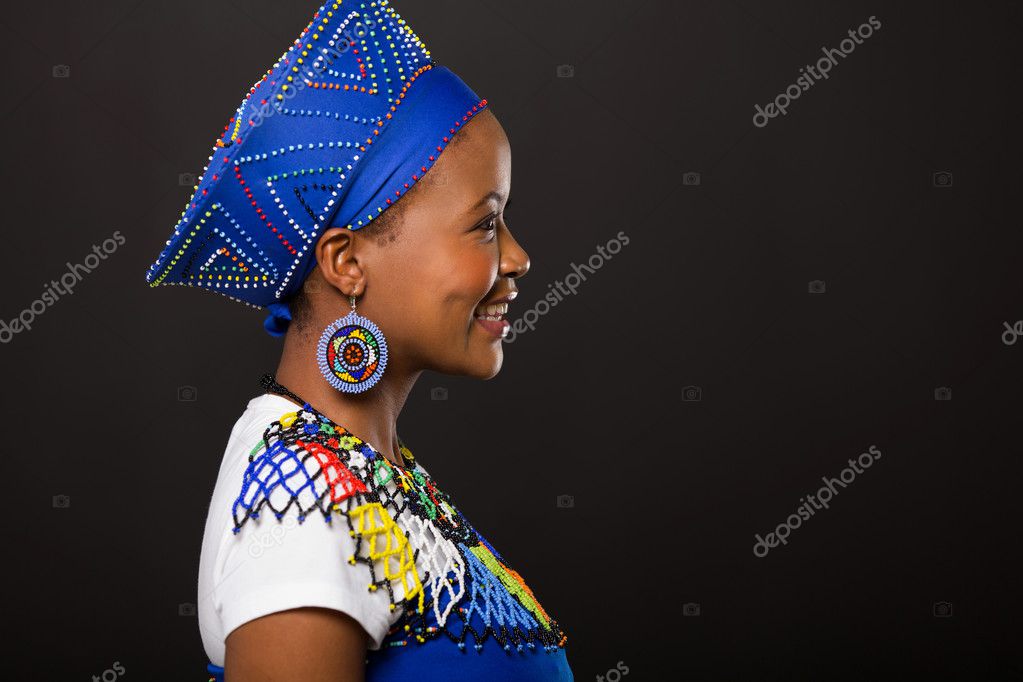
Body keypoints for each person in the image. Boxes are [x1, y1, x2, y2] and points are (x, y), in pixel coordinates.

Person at [144, 1, 573, 680]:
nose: (517, 258)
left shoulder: (371, 469)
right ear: (347, 262)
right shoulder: (303, 500)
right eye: (485, 224)